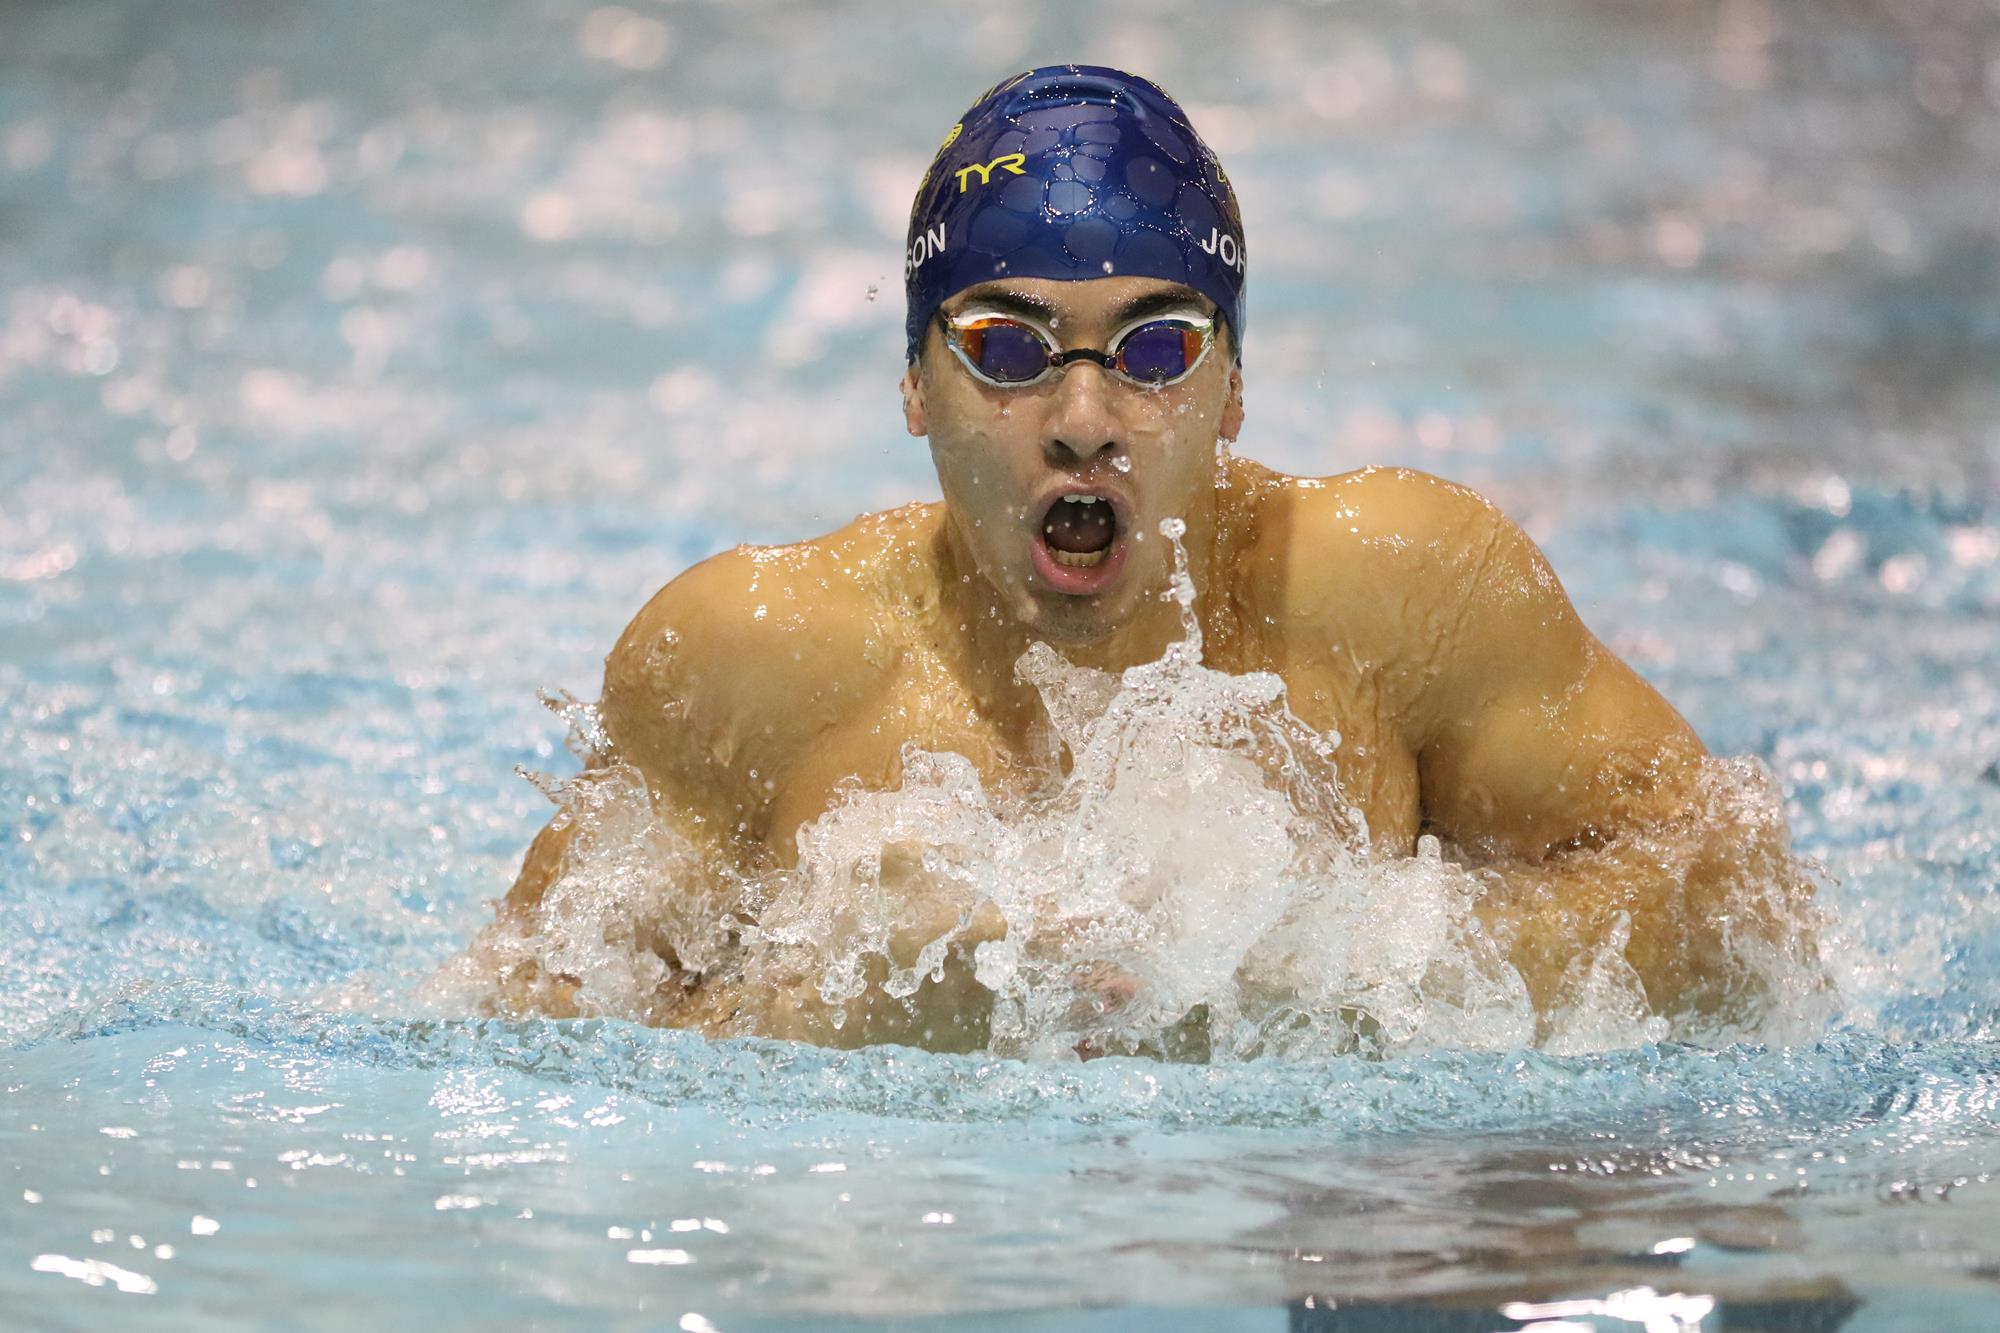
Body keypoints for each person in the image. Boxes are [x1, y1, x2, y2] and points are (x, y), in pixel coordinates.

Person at [462, 67, 1816, 1053]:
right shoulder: (752, 656)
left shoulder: (1398, 593)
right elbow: (521, 1023)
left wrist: (1347, 983)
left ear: (1233, 390)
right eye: (1006, 349)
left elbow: (1739, 889)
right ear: (915, 385)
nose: (1086, 421)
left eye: (1157, 350)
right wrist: (838, 1011)